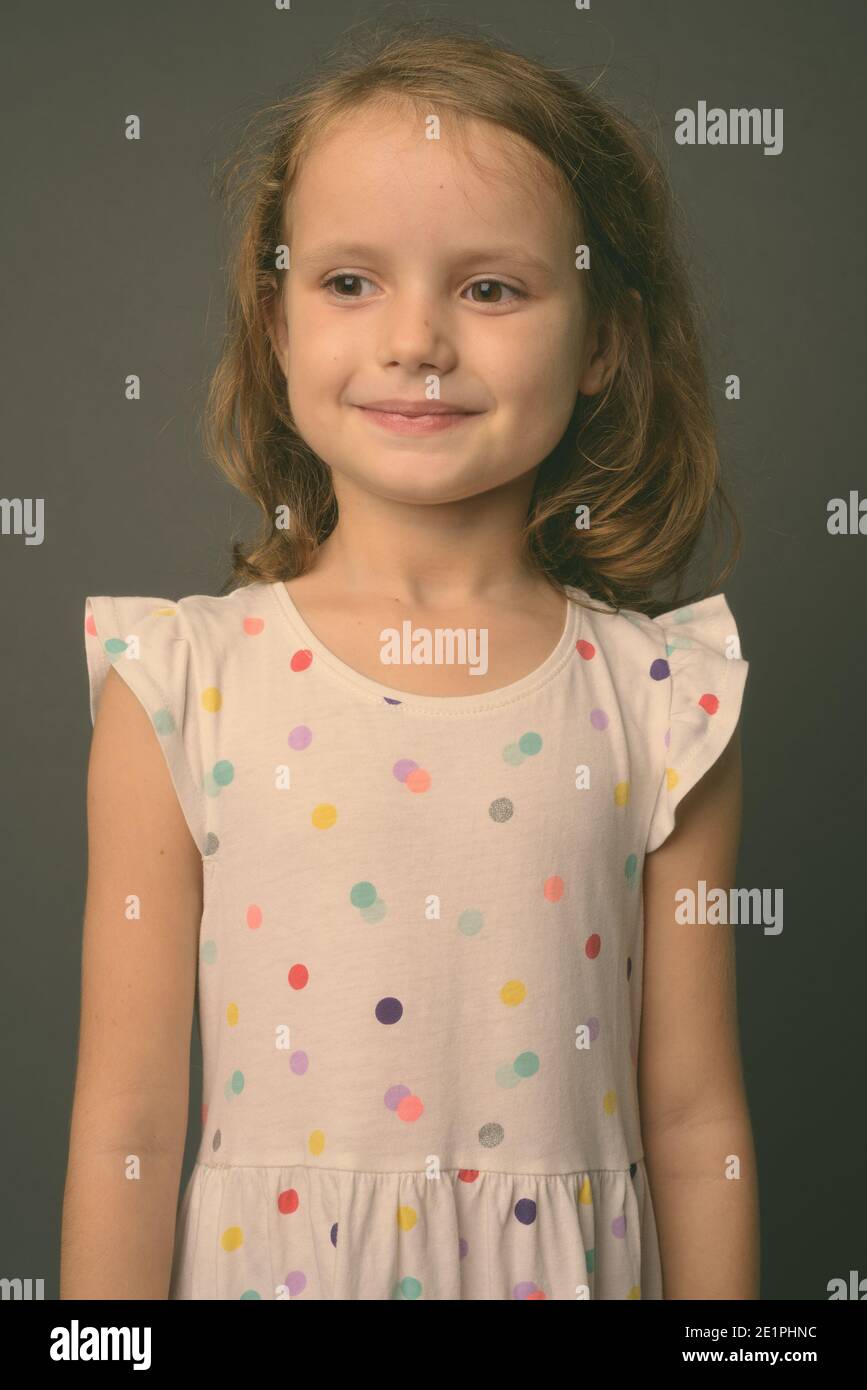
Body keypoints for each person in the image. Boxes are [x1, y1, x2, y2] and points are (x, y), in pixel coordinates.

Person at [61, 20, 758, 1301]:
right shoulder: (180, 685)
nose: (417, 340)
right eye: (349, 283)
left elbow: (697, 1118)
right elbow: (127, 1128)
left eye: (491, 288)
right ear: (275, 327)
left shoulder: (667, 701)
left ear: (602, 337)